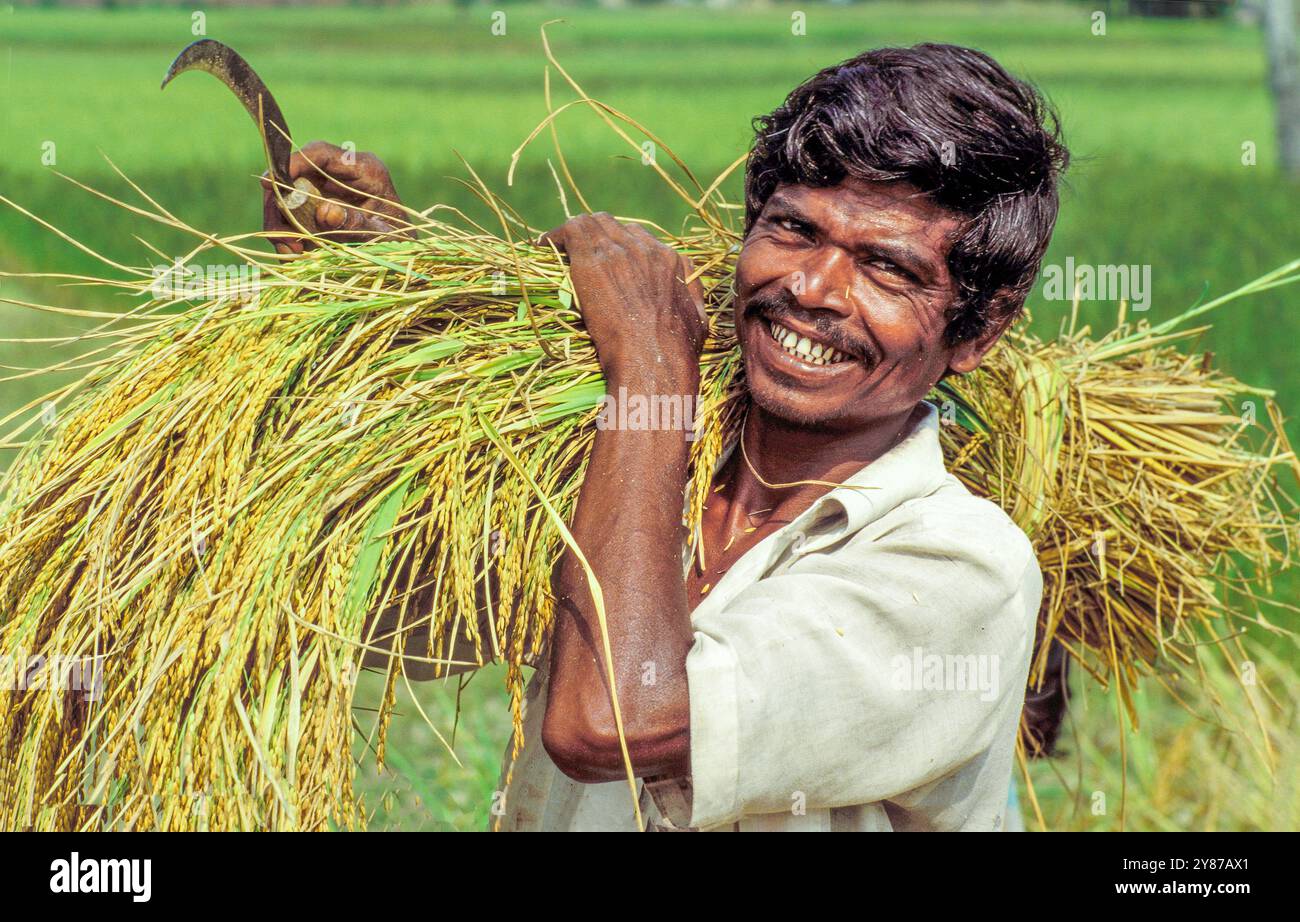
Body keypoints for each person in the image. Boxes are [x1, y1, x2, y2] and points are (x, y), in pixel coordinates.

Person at [264, 43, 1070, 832]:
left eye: (887, 269)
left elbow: (609, 722)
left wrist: (650, 370)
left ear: (978, 330)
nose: (810, 288)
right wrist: (382, 307)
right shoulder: (636, 463)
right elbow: (382, 625)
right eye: (793, 230)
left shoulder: (962, 570)